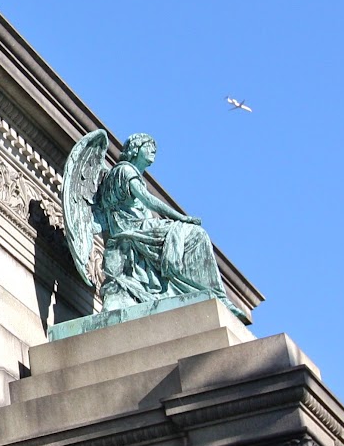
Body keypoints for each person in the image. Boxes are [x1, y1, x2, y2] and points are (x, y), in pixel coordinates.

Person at [95, 133, 243, 318]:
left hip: (144, 227)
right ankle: (212, 296)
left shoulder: (133, 175)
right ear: (135, 149)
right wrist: (182, 217)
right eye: (148, 145)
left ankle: (214, 296)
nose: (153, 150)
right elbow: (148, 200)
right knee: (195, 235)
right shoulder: (124, 170)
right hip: (136, 230)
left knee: (196, 236)